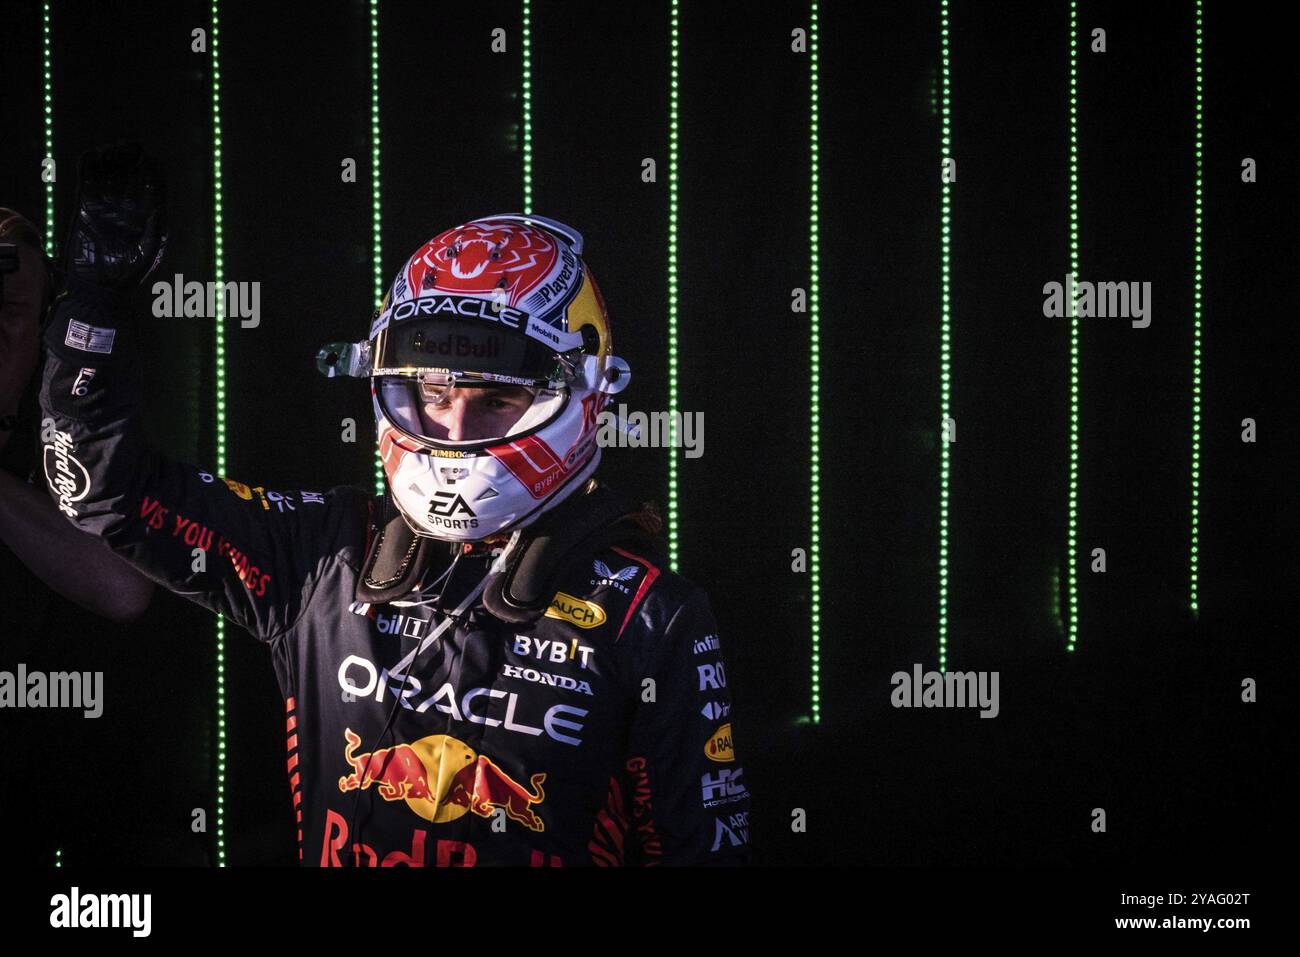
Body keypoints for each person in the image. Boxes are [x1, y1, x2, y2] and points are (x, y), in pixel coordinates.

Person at [38, 143, 752, 866]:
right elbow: (105, 491)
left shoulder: (651, 617)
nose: (453, 430)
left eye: (496, 400)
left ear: (583, 397)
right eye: (434, 395)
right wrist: (92, 316)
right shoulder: (325, 550)